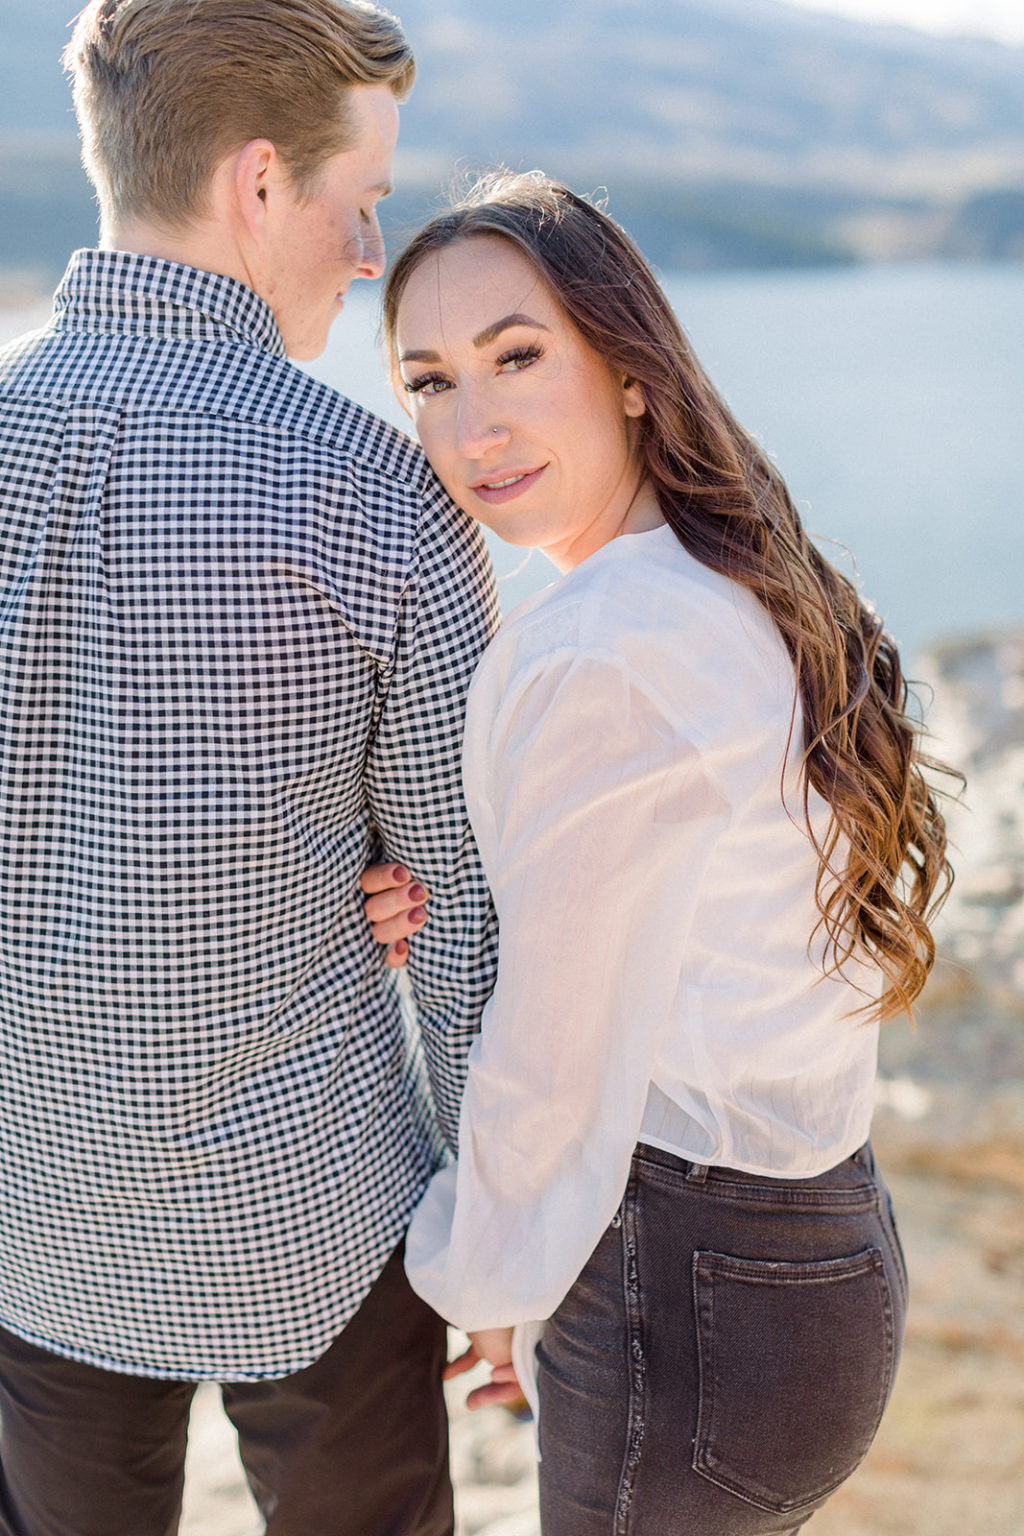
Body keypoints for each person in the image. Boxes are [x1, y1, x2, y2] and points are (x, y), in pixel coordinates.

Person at [367, 170, 953, 1535]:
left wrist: (489, 1279)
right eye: (430, 381)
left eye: (518, 356)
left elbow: (559, 1053)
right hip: (816, 1255)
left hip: (694, 1287)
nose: (475, 423)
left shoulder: (606, 651)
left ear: (628, 367)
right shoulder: (731, 578)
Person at [0, 3, 500, 1533]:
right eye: (362, 207)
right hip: (317, 1223)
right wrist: (493, 1242)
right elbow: (468, 915)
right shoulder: (373, 487)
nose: (366, 257)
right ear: (260, 184)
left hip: (31, 1214)